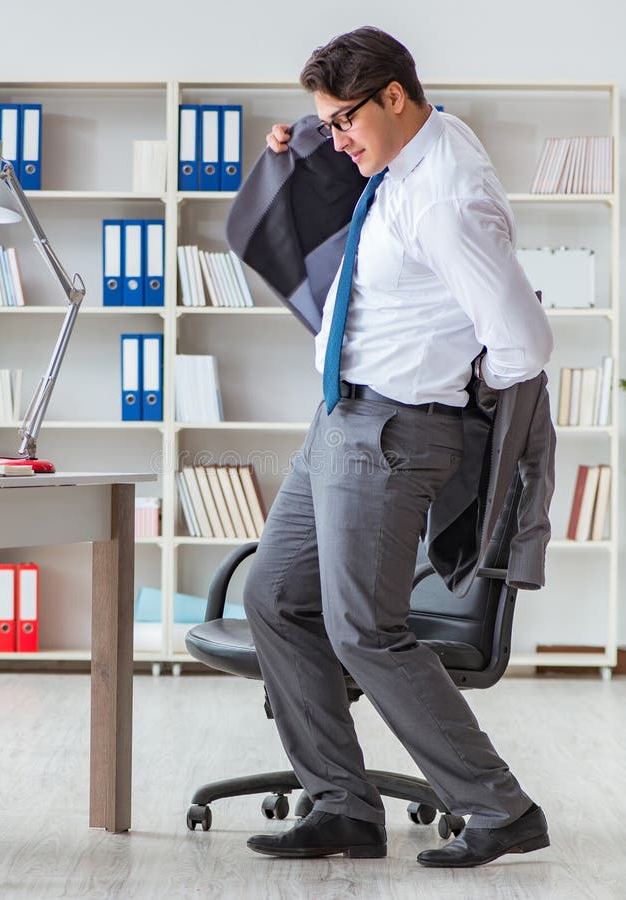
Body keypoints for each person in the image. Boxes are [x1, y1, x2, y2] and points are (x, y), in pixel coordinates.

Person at [242, 26, 553, 867]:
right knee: (273, 596)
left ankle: (498, 807)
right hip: (338, 418)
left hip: (390, 429)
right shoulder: (414, 140)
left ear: (391, 96)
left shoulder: (445, 198)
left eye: (343, 121)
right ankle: (343, 805)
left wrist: (441, 379)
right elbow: (349, 145)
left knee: (362, 630)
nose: (335, 139)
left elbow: (523, 343)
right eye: (326, 123)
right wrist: (301, 143)